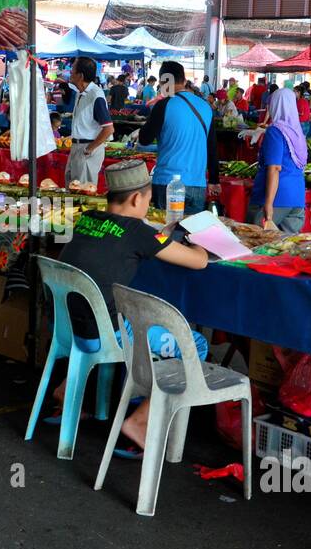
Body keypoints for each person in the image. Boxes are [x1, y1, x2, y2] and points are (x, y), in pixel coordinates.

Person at [56, 159, 210, 455]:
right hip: (105, 334)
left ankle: (68, 387)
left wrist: (160, 234)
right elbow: (199, 262)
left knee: (120, 311)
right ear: (138, 198)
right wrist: (200, 240)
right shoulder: (139, 232)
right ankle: (140, 420)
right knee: (194, 343)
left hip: (68, 328)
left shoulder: (87, 217)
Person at [139, 60, 216, 216]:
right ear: (183, 79)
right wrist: (215, 179)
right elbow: (212, 146)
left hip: (167, 183)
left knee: (163, 235)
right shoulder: (205, 106)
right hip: (197, 185)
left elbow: (144, 139)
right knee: (188, 237)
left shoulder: (164, 105)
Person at [247, 81, 307, 233]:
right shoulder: (297, 132)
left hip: (276, 198)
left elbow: (274, 168)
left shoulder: (276, 131)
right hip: (297, 197)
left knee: (256, 243)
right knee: (286, 248)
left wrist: (268, 204)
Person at [66, 56, 113, 188]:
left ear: (80, 75)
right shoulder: (80, 93)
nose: (70, 72)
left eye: (72, 70)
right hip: (77, 146)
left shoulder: (95, 95)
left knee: (82, 191)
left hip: (87, 148)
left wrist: (89, 149)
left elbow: (109, 129)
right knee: (72, 187)